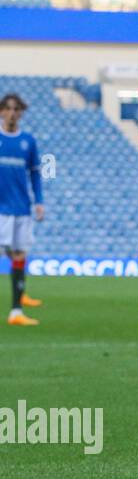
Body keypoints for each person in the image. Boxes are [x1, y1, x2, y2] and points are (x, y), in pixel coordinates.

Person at [0, 92, 43, 327]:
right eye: (8, 108)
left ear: (22, 113)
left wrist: (39, 201)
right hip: (0, 209)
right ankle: (18, 296)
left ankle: (16, 309)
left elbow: (37, 173)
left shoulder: (28, 141)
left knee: (19, 255)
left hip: (21, 209)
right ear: (1, 111)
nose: (12, 113)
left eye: (17, 109)